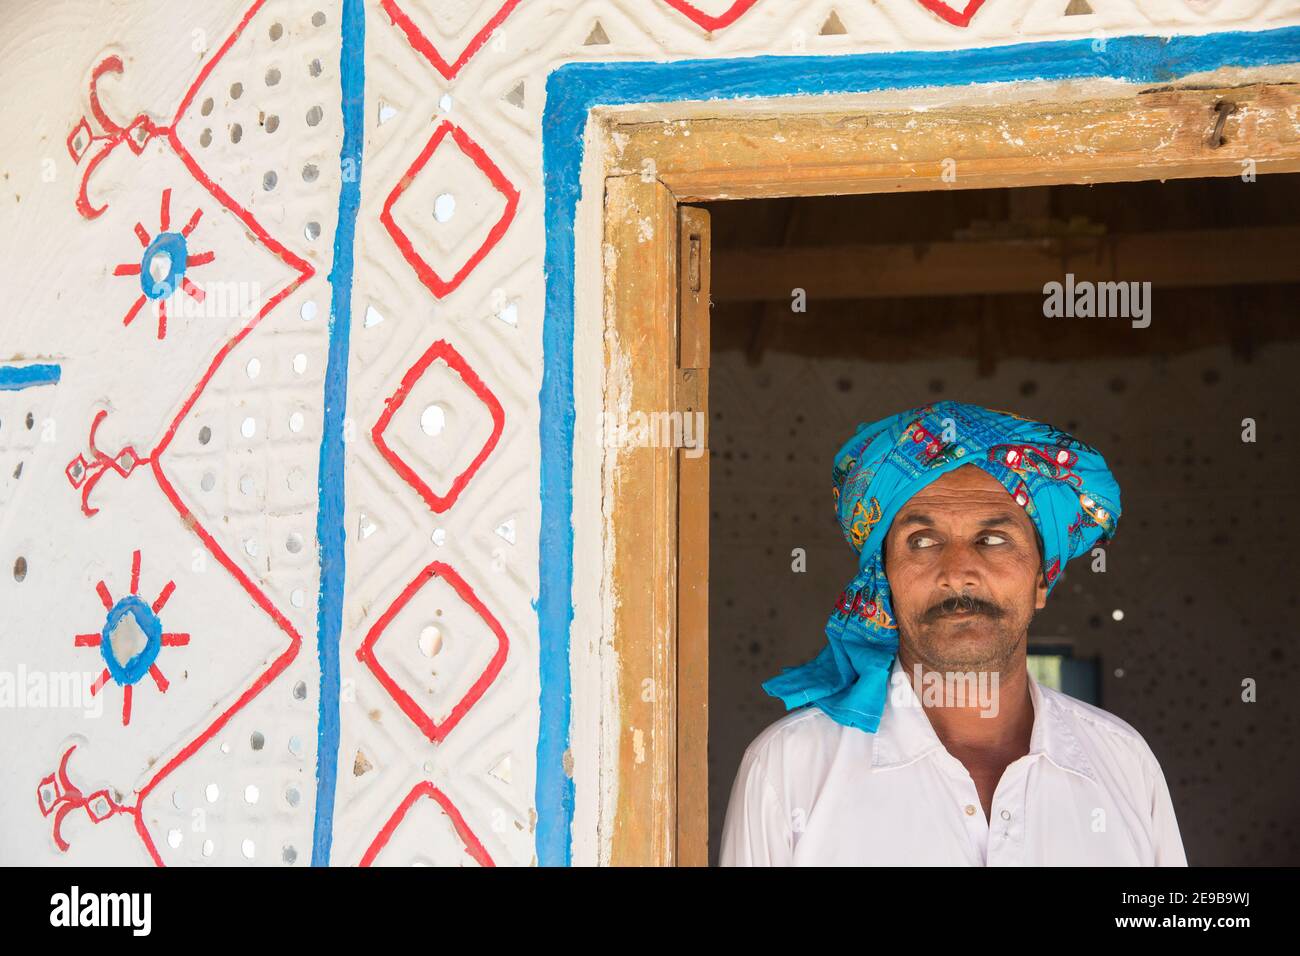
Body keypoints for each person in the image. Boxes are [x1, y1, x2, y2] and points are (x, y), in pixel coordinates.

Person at [719, 401, 1186, 866]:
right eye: (923, 541)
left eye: (994, 539)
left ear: (1041, 579)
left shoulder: (1123, 764)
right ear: (886, 580)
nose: (958, 573)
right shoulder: (788, 771)